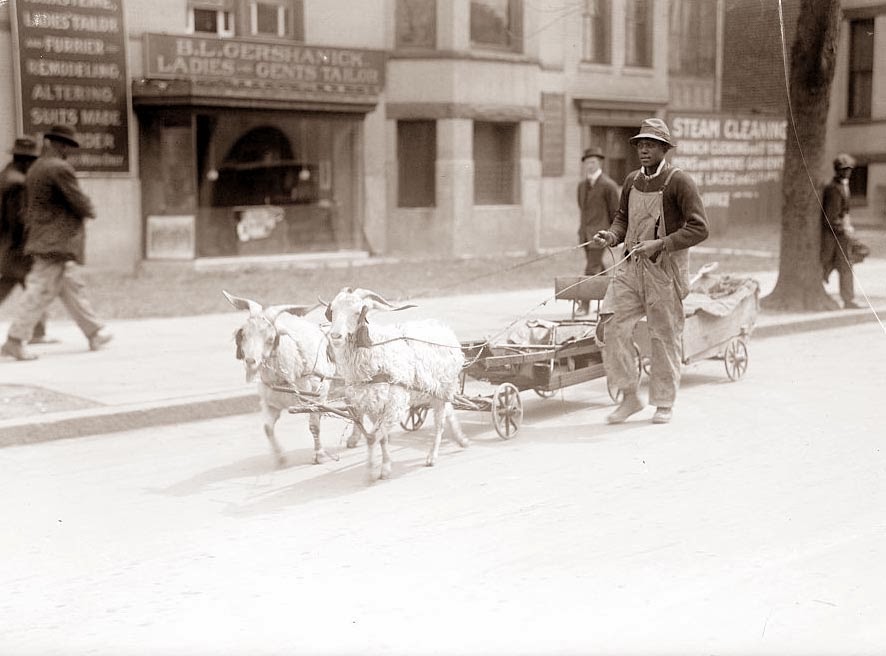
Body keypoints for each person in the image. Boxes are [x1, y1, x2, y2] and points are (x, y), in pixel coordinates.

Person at [592, 118, 709, 425]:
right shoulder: (631, 181)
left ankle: (664, 401)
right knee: (610, 325)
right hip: (630, 268)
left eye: (651, 145)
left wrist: (661, 244)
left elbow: (699, 228)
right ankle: (630, 396)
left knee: (663, 336)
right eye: (641, 145)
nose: (644, 150)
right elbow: (621, 219)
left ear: (664, 149)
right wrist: (613, 235)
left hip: (664, 271)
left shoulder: (679, 181)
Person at [1, 125, 112, 361]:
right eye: (65, 145)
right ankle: (15, 339)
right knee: (40, 288)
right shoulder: (58, 169)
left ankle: (94, 332)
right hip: (55, 241)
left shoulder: (37, 167)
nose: (67, 150)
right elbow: (78, 201)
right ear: (56, 144)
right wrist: (91, 210)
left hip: (44, 238)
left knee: (70, 286)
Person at [0, 136, 50, 343]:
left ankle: (38, 330)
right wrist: (29, 243)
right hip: (17, 245)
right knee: (36, 287)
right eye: (33, 161)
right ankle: (37, 332)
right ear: (26, 160)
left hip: (6, 244)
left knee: (10, 284)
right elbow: (18, 219)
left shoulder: (5, 176)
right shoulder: (18, 183)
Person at [576, 146, 619, 314]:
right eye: (587, 162)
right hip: (585, 234)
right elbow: (583, 209)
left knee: (591, 268)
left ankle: (584, 305)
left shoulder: (609, 185)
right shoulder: (581, 186)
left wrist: (613, 235)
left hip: (601, 235)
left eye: (593, 162)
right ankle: (612, 300)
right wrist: (582, 231)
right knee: (600, 269)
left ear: (600, 162)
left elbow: (615, 212)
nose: (590, 166)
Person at [821, 153, 860, 309]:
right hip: (834, 235)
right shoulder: (833, 189)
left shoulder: (844, 185)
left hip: (841, 234)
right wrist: (844, 230)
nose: (846, 172)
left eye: (848, 169)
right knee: (841, 265)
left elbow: (844, 212)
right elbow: (830, 218)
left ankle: (847, 298)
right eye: (843, 169)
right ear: (836, 170)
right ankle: (848, 299)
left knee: (849, 261)